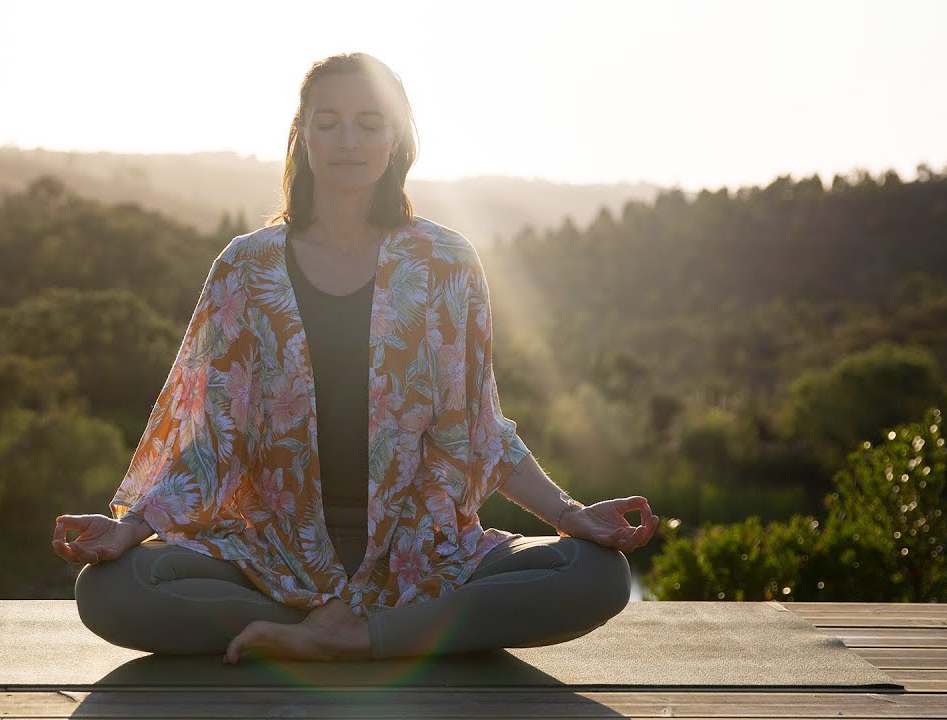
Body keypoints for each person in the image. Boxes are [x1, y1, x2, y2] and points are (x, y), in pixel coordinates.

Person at [53, 52, 658, 663]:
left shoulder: (446, 264)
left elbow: (478, 428)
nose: (349, 140)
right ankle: (353, 631)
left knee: (595, 573)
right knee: (112, 589)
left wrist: (571, 514)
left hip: (419, 546)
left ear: (396, 138)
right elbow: (208, 438)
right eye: (329, 122)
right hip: (273, 548)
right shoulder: (245, 268)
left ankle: (353, 636)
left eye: (369, 122)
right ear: (303, 135)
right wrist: (130, 529)